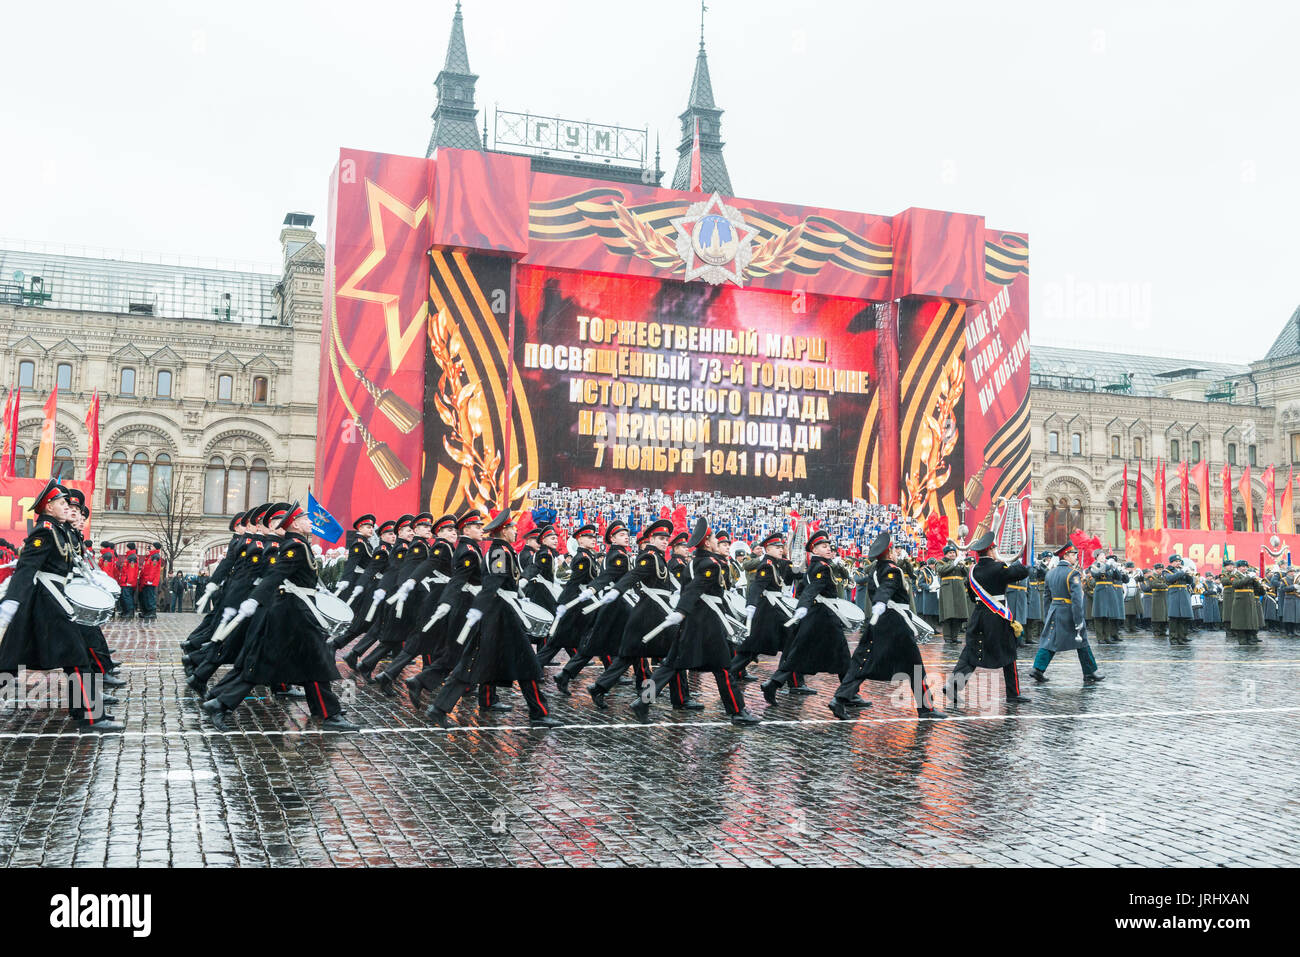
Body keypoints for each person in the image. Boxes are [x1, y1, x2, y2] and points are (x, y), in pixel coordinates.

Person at [201, 502, 360, 732]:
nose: (310, 522)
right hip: (292, 614)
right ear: (295, 523)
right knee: (297, 661)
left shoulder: (299, 544)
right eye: (306, 519)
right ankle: (220, 704)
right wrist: (254, 599)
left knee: (308, 663)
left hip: (294, 611)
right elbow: (275, 575)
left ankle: (327, 712)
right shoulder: (295, 546)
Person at [0, 479, 124, 732]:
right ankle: (90, 716)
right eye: (60, 502)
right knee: (76, 658)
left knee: (14, 661)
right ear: (48, 506)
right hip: (46, 603)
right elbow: (26, 568)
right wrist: (12, 601)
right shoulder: (45, 532)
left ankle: (87, 712)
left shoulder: (60, 530)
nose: (66, 506)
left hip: (56, 600)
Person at [425, 510, 559, 728]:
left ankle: (440, 708)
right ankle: (539, 714)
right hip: (500, 616)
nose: (516, 531)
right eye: (513, 528)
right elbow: (492, 585)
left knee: (478, 664)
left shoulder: (503, 550)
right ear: (504, 530)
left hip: (501, 614)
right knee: (527, 664)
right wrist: (478, 610)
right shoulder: (499, 552)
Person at [631, 518, 759, 725]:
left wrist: (682, 612)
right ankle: (737, 711)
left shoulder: (694, 562)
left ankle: (643, 702)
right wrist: (681, 610)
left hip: (692, 623)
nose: (717, 541)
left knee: (669, 666)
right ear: (708, 543)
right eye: (714, 539)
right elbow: (695, 589)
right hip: (707, 625)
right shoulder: (710, 564)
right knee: (724, 668)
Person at [827, 532, 946, 719]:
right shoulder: (892, 570)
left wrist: (880, 603)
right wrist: (882, 601)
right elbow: (887, 587)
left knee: (862, 662)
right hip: (896, 624)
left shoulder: (874, 570)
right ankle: (926, 709)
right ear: (889, 553)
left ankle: (840, 699)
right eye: (894, 550)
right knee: (915, 667)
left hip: (879, 622)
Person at [587, 518, 694, 709]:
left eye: (665, 538)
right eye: (660, 538)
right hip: (651, 615)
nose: (664, 541)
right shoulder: (650, 557)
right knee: (672, 658)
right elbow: (632, 575)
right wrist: (616, 590)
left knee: (628, 657)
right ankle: (671, 699)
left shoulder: (659, 557)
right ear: (651, 539)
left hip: (650, 613)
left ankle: (600, 687)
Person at [758, 527, 851, 708]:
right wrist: (802, 607)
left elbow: (803, 590)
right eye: (823, 546)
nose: (828, 549)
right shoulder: (821, 568)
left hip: (817, 616)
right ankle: (849, 693)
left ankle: (773, 683)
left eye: (828, 546)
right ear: (814, 550)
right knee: (843, 656)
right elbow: (810, 590)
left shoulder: (818, 566)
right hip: (824, 618)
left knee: (801, 655)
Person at [944, 532, 1032, 705]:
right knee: (1009, 652)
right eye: (994, 549)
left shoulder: (972, 571)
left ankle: (953, 686)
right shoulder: (998, 568)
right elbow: (1022, 572)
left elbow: (971, 595)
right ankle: (1013, 693)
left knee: (971, 652)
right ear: (991, 551)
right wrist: (1019, 559)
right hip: (997, 617)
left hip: (978, 616)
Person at [553, 521, 631, 694]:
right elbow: (610, 576)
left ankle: (566, 674)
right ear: (612, 538)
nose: (626, 537)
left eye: (627, 534)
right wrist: (592, 588)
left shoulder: (611, 554)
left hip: (611, 601)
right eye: (621, 535)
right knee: (632, 643)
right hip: (617, 604)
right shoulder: (618, 555)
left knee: (598, 643)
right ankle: (640, 684)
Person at [1028, 541, 1104, 685]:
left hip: (1054, 610)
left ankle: (1038, 668)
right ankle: (1090, 672)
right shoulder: (1073, 573)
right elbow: (1076, 600)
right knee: (1082, 640)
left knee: (1049, 641)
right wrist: (1078, 620)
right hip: (1068, 612)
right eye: (1074, 554)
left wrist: (1048, 614)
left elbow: (1046, 597)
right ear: (1067, 555)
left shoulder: (1050, 573)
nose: (1076, 557)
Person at [729, 532, 795, 683]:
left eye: (781, 547)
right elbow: (757, 586)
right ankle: (729, 675)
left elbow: (794, 575)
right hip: (766, 611)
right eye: (777, 547)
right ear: (768, 549)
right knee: (752, 648)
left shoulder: (778, 563)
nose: (780, 549)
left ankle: (787, 682)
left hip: (775, 610)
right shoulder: (766, 565)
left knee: (791, 643)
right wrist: (751, 605)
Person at [535, 524, 598, 668]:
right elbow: (572, 583)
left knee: (561, 638)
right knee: (562, 638)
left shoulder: (587, 556)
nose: (593, 539)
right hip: (576, 602)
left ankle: (560, 670)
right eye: (589, 537)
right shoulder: (582, 558)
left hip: (578, 601)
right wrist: (563, 603)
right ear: (580, 540)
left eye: (593, 537)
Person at [936, 543, 969, 644]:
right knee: (948, 614)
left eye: (953, 552)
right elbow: (941, 571)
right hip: (947, 590)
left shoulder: (959, 562)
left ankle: (955, 636)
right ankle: (947, 637)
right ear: (946, 554)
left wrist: (962, 565)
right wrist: (954, 563)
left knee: (958, 614)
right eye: (950, 553)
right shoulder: (940, 562)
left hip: (959, 590)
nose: (952, 554)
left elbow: (966, 573)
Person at [1164, 555, 1195, 644]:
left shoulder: (1183, 570)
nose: (1178, 563)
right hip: (1174, 595)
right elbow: (1170, 579)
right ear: (1172, 562)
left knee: (1183, 617)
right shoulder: (1166, 571)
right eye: (1176, 561)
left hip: (1184, 595)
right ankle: (1173, 638)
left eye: (1179, 561)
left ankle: (1181, 637)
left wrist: (1188, 574)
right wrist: (1182, 572)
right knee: (1174, 618)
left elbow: (1190, 582)